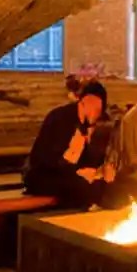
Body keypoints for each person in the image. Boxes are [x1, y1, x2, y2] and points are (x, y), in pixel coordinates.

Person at [23, 81, 115, 209]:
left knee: (104, 185)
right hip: (43, 175)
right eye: (97, 109)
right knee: (84, 188)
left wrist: (102, 168)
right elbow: (47, 159)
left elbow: (89, 158)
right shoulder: (61, 118)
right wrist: (78, 172)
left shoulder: (87, 125)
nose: (96, 114)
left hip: (67, 176)